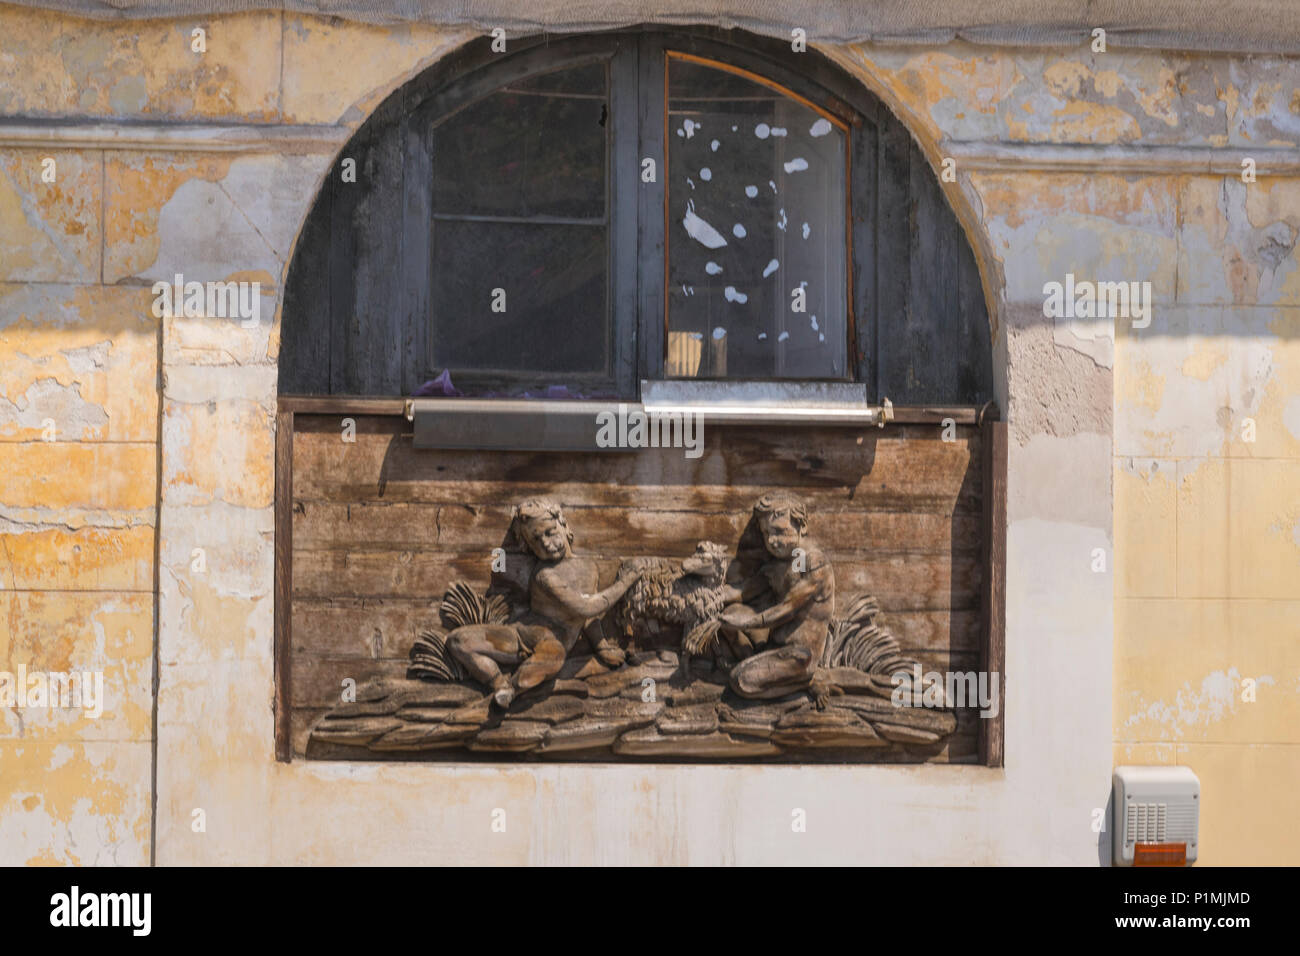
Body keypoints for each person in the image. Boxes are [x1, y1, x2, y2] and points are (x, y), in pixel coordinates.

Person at [445, 498, 643, 708]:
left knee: (543, 664)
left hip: (554, 642)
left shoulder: (589, 567)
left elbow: (587, 614)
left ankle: (513, 688)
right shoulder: (545, 575)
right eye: (536, 541)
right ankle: (498, 682)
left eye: (550, 533)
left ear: (563, 525)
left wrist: (601, 646)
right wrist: (627, 581)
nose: (547, 545)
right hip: (520, 634)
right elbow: (587, 607)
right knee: (458, 640)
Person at [719, 492, 835, 701]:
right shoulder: (775, 566)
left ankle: (805, 682)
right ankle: (760, 666)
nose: (772, 541)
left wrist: (746, 622)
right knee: (730, 613)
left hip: (800, 656)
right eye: (766, 533)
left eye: (780, 531)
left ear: (803, 527)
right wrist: (706, 598)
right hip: (776, 647)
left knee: (740, 681)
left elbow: (787, 609)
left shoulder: (815, 564)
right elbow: (743, 591)